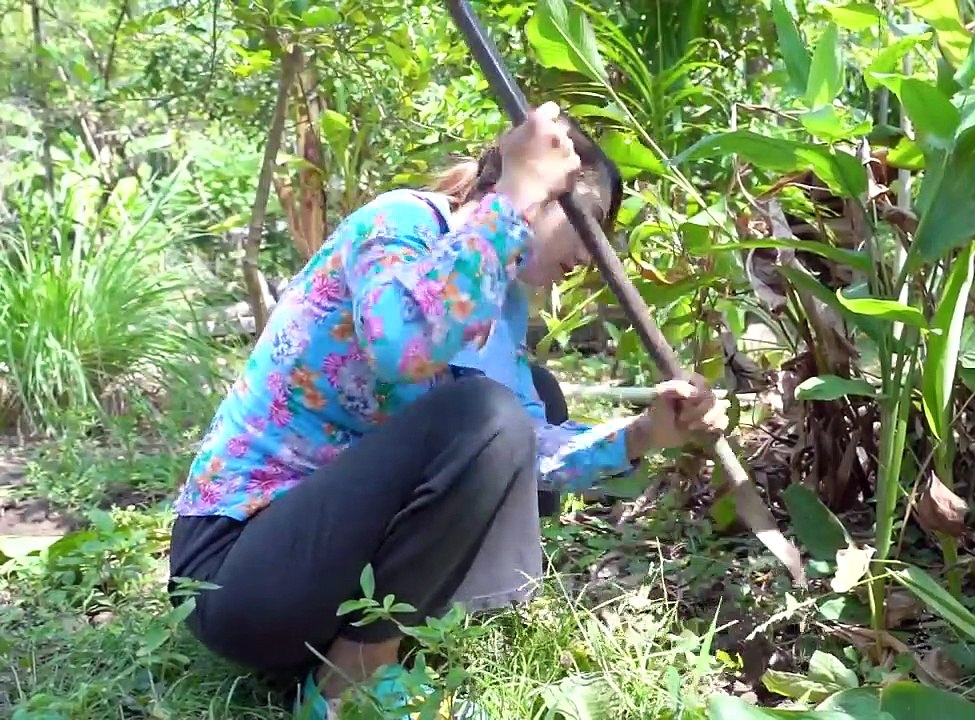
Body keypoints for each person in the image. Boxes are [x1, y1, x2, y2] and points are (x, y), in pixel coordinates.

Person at [165, 102, 729, 719]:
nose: (591, 256)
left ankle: (362, 647)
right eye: (589, 221)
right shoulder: (401, 223)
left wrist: (646, 432)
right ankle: (349, 683)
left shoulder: (501, 306)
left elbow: (521, 462)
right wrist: (515, 193)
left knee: (527, 403)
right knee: (485, 414)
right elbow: (402, 346)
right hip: (238, 571)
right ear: (539, 194)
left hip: (320, 569)